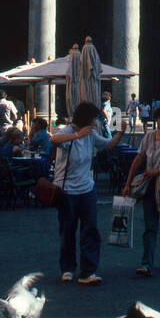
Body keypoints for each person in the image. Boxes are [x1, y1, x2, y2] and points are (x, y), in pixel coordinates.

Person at [54, 101, 128, 284]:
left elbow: (108, 145)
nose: (97, 121)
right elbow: (53, 140)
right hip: (67, 190)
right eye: (94, 118)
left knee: (91, 230)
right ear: (86, 118)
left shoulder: (91, 134)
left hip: (87, 189)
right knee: (67, 230)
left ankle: (88, 271)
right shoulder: (66, 131)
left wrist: (121, 133)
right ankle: (68, 268)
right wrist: (76, 135)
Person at [122, 104, 160, 277]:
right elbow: (138, 159)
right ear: (156, 120)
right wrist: (128, 183)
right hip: (150, 187)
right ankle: (146, 263)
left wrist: (159, 171)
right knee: (150, 227)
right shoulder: (149, 137)